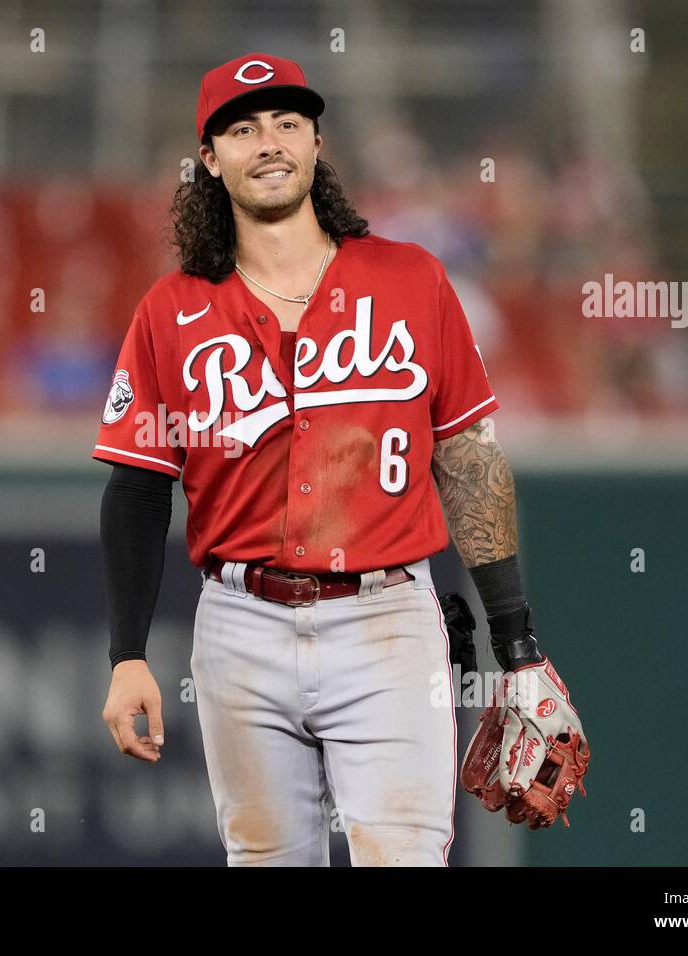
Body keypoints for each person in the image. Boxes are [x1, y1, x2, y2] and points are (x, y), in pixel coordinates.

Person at [95, 53, 587, 866]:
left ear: (318, 142)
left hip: (387, 619)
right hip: (240, 622)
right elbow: (139, 487)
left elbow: (468, 459)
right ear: (210, 159)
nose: (271, 143)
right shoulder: (173, 310)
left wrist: (518, 644)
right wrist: (126, 655)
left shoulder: (411, 279)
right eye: (243, 128)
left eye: (288, 123)